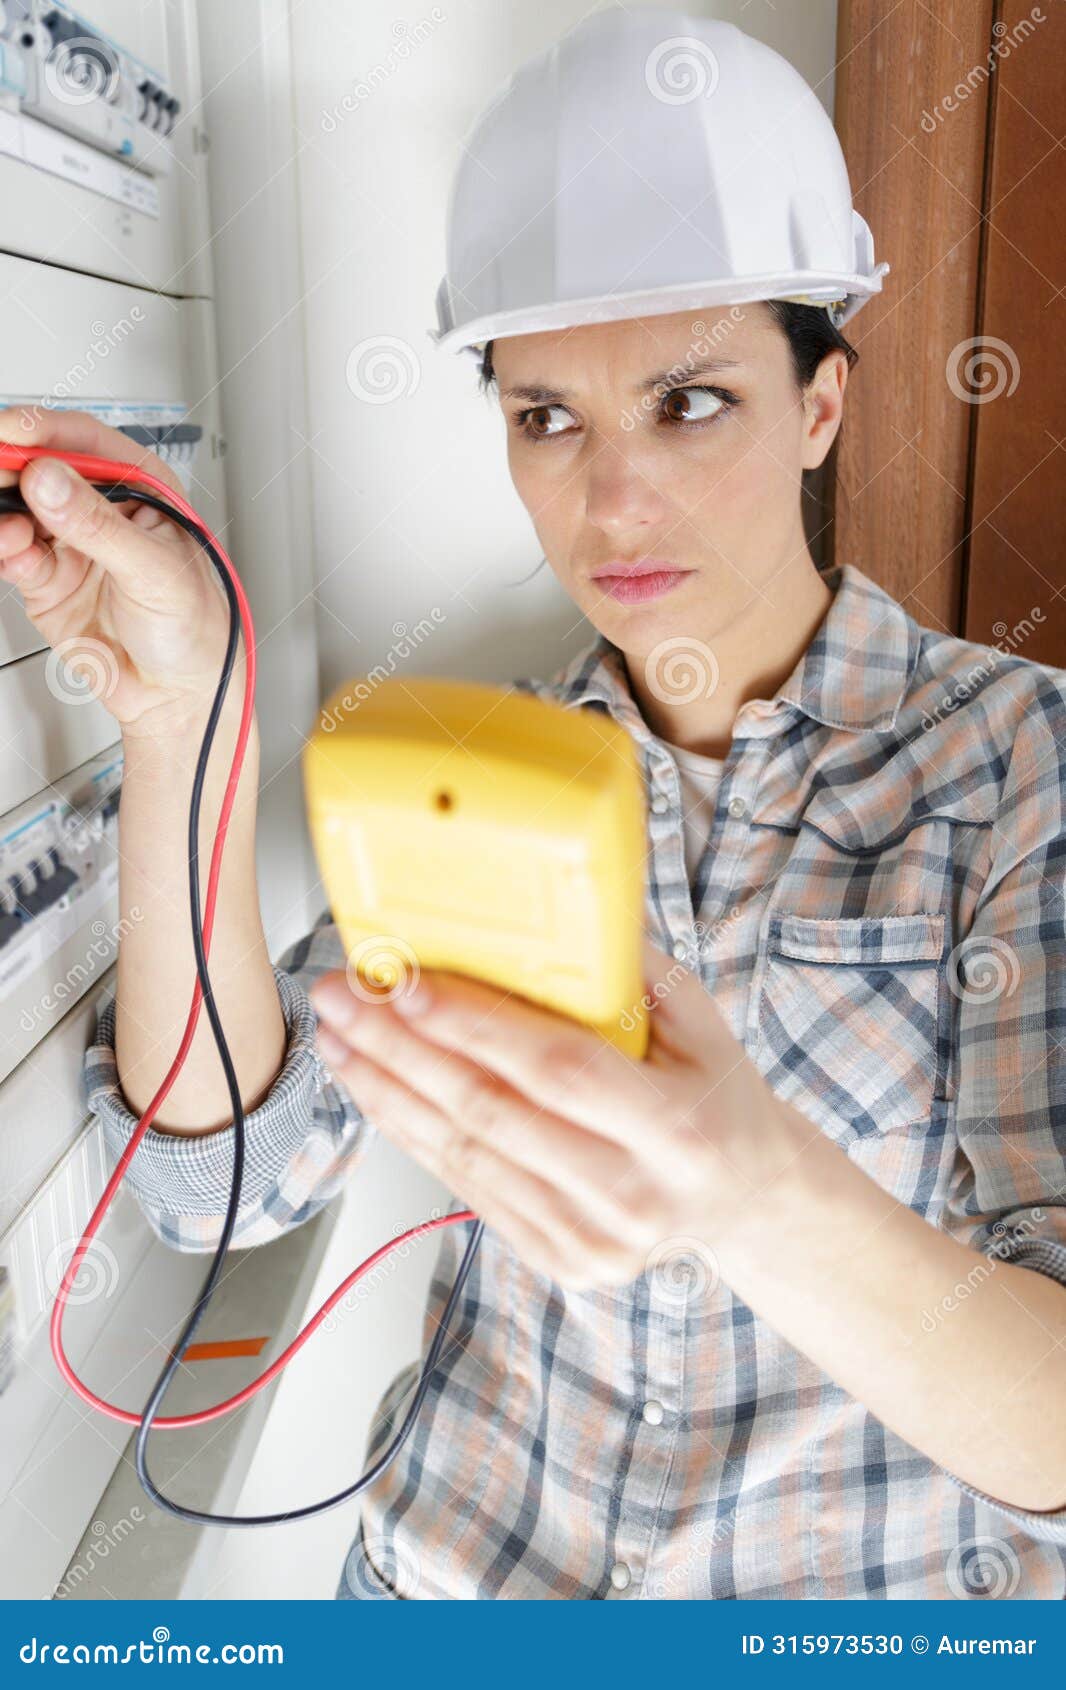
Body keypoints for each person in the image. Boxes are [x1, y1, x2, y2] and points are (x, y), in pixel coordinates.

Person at [2, 6, 1065, 1601]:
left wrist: (750, 1185)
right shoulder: (474, 766)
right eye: (545, 417)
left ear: (820, 404)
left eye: (689, 400)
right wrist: (182, 719)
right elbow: (221, 1177)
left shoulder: (1014, 764)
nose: (610, 500)